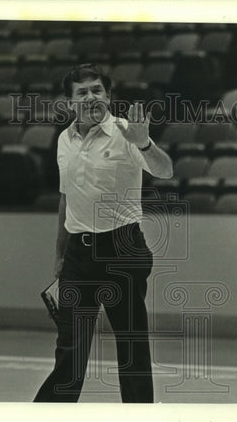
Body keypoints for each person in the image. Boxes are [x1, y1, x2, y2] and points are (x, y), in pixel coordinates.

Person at [33, 64, 173, 403]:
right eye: (82, 92)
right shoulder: (64, 140)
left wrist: (146, 143)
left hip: (122, 248)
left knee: (131, 345)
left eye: (97, 90)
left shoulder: (127, 133)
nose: (91, 97)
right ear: (69, 102)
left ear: (108, 96)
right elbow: (66, 200)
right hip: (78, 255)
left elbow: (165, 170)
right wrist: (59, 255)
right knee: (70, 347)